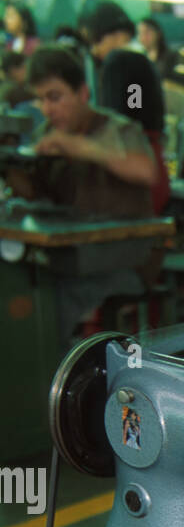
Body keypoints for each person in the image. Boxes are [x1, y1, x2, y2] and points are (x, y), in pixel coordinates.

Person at [5, 46, 157, 346]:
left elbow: (147, 171)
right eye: (40, 99)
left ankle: (51, 381)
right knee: (14, 284)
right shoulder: (46, 135)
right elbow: (36, 195)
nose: (47, 109)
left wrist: (80, 147)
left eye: (55, 97)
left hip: (124, 261)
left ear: (83, 93)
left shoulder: (119, 130)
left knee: (53, 298)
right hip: (69, 257)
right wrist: (12, 166)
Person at [79, 2, 169, 213]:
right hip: (152, 162)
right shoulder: (141, 60)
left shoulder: (120, 60)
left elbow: (123, 117)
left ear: (115, 34)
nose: (95, 50)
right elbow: (133, 107)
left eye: (96, 40)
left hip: (132, 166)